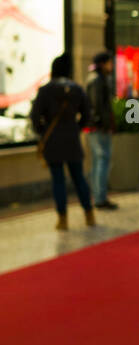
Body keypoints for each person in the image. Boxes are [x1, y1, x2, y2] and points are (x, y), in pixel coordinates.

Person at [30, 53, 96, 231]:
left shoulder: (46, 90)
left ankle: (62, 219)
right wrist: (76, 128)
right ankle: (89, 214)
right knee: (79, 178)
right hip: (72, 140)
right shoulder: (77, 89)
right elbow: (87, 115)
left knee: (58, 180)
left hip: (53, 141)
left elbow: (35, 117)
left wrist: (43, 132)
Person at [86, 50, 118, 210]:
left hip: (94, 126)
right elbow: (99, 105)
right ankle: (100, 197)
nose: (112, 66)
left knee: (98, 161)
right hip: (99, 127)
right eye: (110, 62)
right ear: (104, 64)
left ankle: (98, 195)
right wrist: (105, 125)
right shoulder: (99, 80)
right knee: (103, 160)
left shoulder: (93, 78)